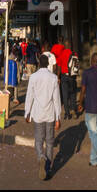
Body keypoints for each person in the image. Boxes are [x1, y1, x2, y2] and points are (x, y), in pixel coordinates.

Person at [25, 52, 63, 180]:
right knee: (50, 141)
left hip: (37, 113)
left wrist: (27, 112)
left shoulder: (33, 77)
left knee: (39, 139)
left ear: (38, 64)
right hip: (50, 113)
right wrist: (58, 116)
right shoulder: (53, 78)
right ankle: (47, 167)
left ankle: (41, 156)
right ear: (48, 64)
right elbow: (56, 99)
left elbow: (29, 96)